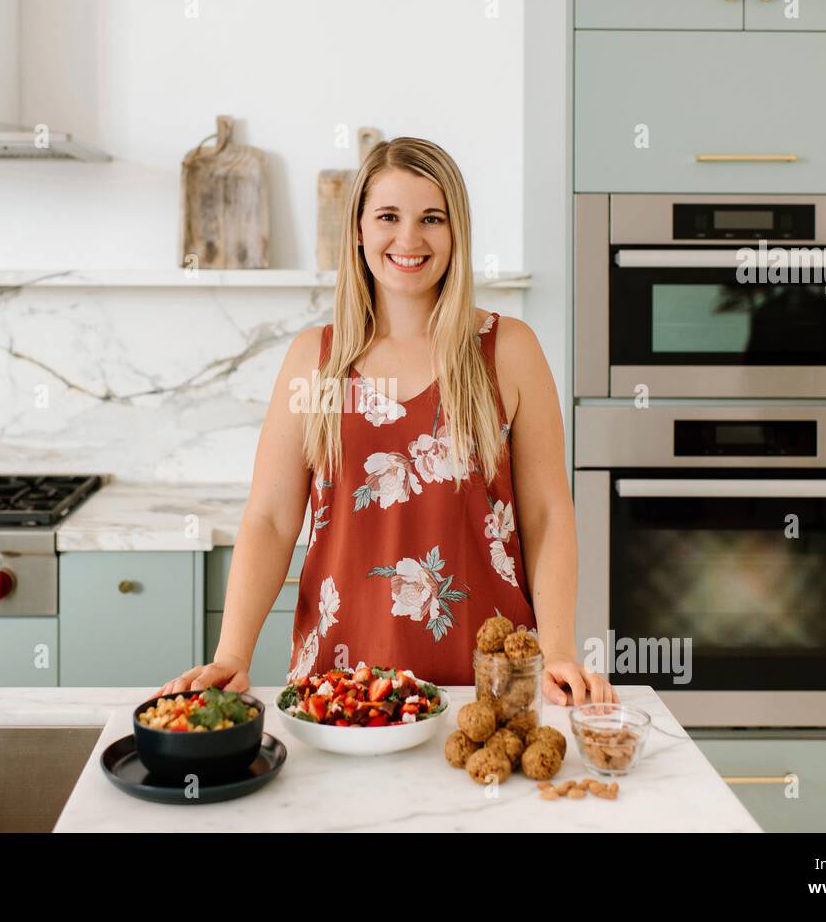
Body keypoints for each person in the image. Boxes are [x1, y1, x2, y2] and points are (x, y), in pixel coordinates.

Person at [157, 137, 614, 706]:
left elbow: (548, 513)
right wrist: (231, 655)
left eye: (432, 218)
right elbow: (272, 520)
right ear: (358, 230)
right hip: (339, 695)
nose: (409, 239)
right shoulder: (313, 359)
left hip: (489, 690)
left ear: (456, 232)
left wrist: (563, 649)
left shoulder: (509, 349)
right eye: (389, 217)